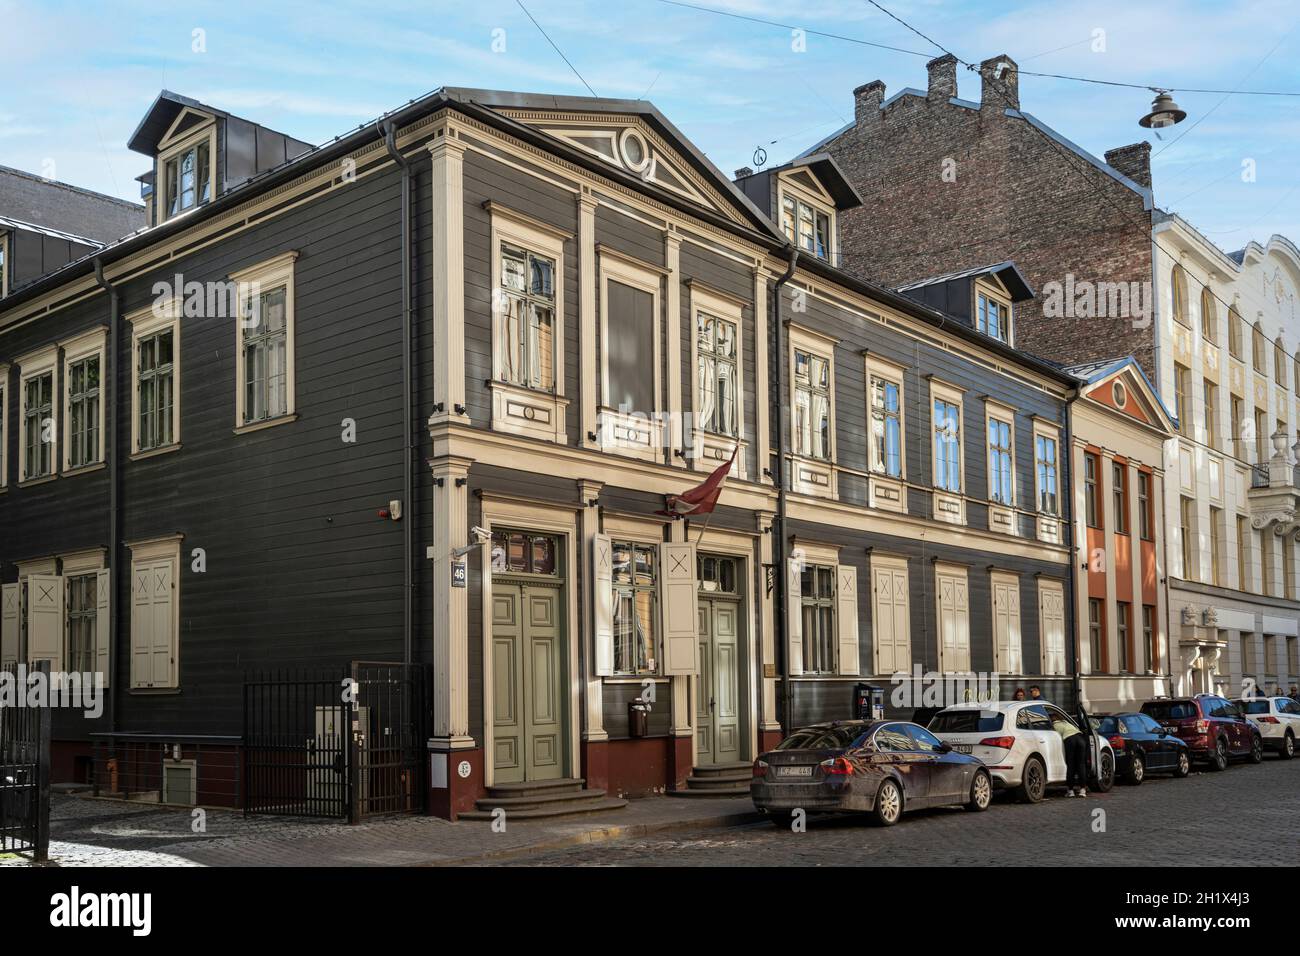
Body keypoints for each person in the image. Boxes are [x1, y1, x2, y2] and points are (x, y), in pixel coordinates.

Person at [1053, 711, 1087, 797]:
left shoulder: (1054, 726)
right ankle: (1082, 790)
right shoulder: (1066, 722)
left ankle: (1070, 791)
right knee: (1081, 764)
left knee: (1070, 765)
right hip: (1080, 738)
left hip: (1069, 740)